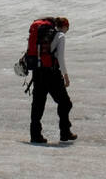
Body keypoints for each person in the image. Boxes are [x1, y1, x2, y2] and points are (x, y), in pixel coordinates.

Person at [31, 16, 76, 144]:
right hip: (51, 73)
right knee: (65, 103)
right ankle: (65, 133)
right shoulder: (60, 36)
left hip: (38, 71)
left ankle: (35, 135)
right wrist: (66, 76)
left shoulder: (44, 35)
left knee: (38, 104)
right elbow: (60, 57)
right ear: (65, 26)